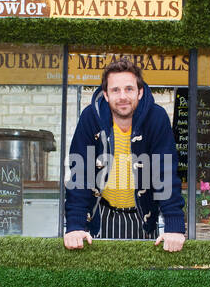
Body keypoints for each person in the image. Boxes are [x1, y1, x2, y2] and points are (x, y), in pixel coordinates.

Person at [63, 58, 186, 251]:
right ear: (105, 94)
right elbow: (80, 173)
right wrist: (75, 226)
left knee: (145, 279)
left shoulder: (156, 118)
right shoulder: (90, 117)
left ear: (140, 92)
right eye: (115, 90)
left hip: (143, 217)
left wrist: (174, 226)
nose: (122, 96)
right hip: (101, 217)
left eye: (129, 89)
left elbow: (166, 172)